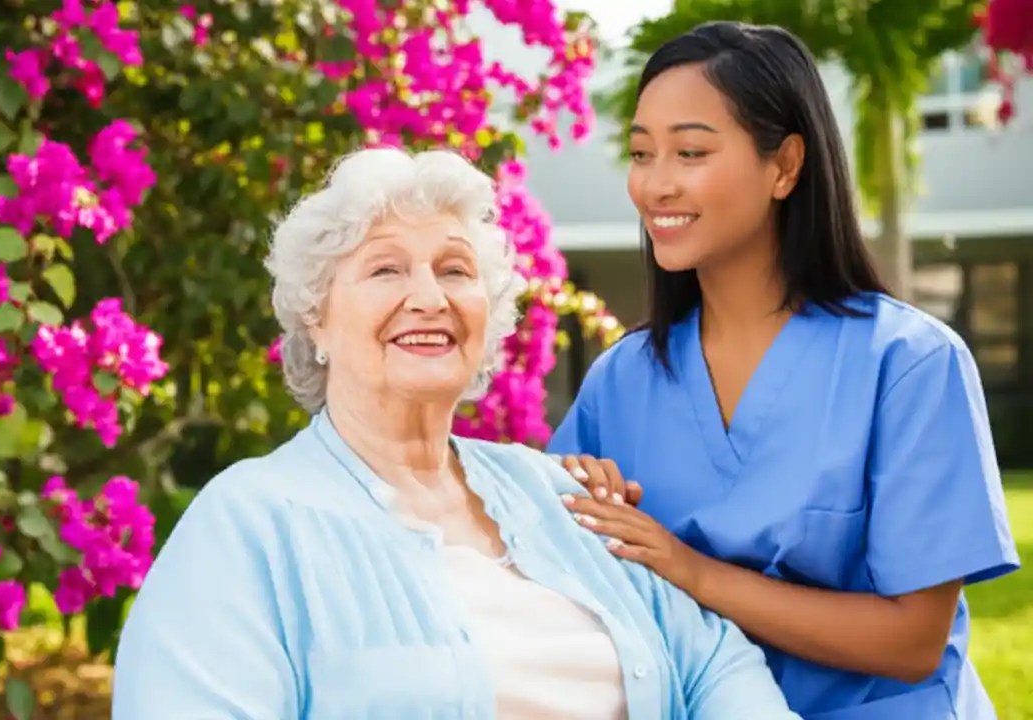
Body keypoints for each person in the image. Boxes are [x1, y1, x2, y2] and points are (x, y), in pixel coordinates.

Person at [112, 147, 800, 719]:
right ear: (315, 318)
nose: (429, 297)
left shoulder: (557, 490)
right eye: (386, 269)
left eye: (454, 270)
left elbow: (713, 663)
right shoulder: (248, 525)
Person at [547, 20, 1020, 720]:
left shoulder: (909, 364)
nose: (656, 184)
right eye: (642, 153)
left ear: (785, 165)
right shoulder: (622, 383)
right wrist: (573, 506)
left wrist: (693, 571)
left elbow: (914, 642)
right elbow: (564, 592)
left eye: (691, 151)